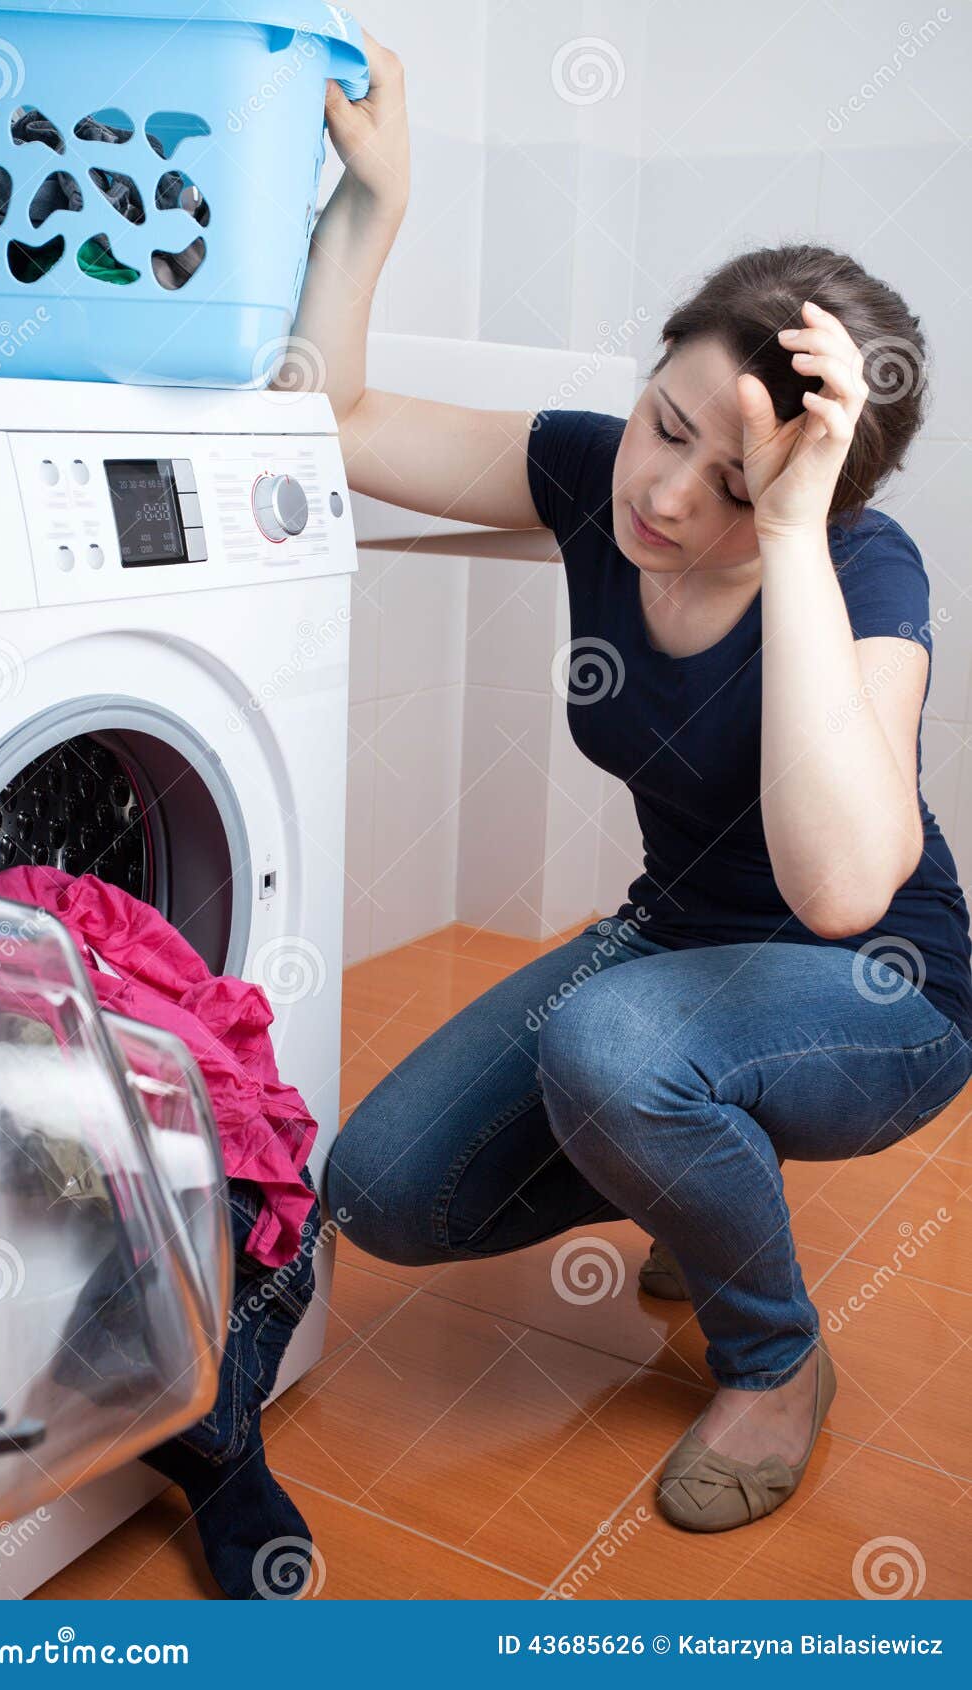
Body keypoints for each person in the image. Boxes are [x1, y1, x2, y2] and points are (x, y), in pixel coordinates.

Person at [278, 30, 972, 1532]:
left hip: (878, 993)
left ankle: (772, 1353)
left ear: (804, 492)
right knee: (383, 1184)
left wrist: (789, 536)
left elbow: (844, 888)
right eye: (666, 423)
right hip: (671, 949)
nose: (663, 493)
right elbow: (329, 423)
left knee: (611, 1046)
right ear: (649, 377)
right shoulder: (600, 477)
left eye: (734, 482)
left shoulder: (861, 564)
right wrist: (371, 211)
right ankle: (689, 1165)